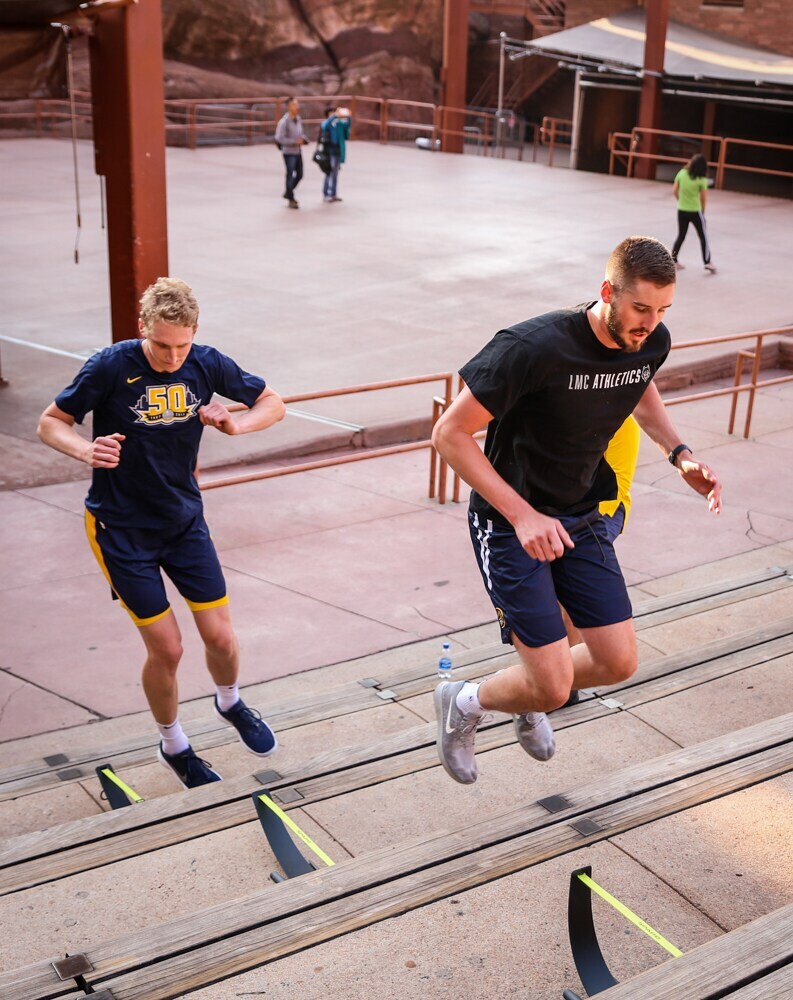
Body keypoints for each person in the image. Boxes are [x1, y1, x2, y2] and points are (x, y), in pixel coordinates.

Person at [431, 236, 722, 785]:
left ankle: (532, 690)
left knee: (616, 663)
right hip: (509, 524)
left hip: (582, 512)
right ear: (607, 291)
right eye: (640, 308)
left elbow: (639, 386)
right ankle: (462, 701)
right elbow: (449, 434)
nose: (650, 324)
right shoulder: (533, 348)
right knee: (554, 684)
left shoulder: (649, 340)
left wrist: (679, 453)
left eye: (662, 311)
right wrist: (522, 515)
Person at [37, 277, 287, 789]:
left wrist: (239, 425)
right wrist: (85, 450)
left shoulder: (207, 361)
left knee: (219, 635)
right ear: (142, 329)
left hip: (183, 522)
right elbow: (50, 422)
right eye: (162, 345)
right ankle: (173, 744)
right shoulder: (110, 365)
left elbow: (273, 403)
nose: (173, 357)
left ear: (195, 332)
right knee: (168, 649)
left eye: (182, 345)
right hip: (120, 529)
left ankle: (230, 701)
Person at [671, 153, 716, 273]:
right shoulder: (701, 179)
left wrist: (680, 201)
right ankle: (707, 262)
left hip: (681, 210)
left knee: (681, 235)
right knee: (703, 236)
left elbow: (674, 190)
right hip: (695, 211)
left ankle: (673, 260)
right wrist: (703, 212)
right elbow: (703, 198)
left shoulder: (681, 173)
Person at [275, 97, 309, 209]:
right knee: (290, 174)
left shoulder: (298, 119)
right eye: (294, 104)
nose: (297, 106)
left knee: (300, 174)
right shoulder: (284, 122)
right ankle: (291, 198)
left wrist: (303, 139)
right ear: (289, 106)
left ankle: (288, 191)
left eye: (297, 104)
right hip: (289, 152)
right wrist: (294, 142)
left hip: (298, 151)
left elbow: (300, 133)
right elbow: (279, 138)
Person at [320, 104, 352, 203]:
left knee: (335, 173)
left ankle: (333, 193)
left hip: (338, 150)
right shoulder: (327, 123)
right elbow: (324, 126)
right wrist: (334, 116)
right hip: (329, 151)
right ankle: (326, 194)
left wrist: (348, 116)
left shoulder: (338, 124)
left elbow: (347, 125)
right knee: (329, 172)